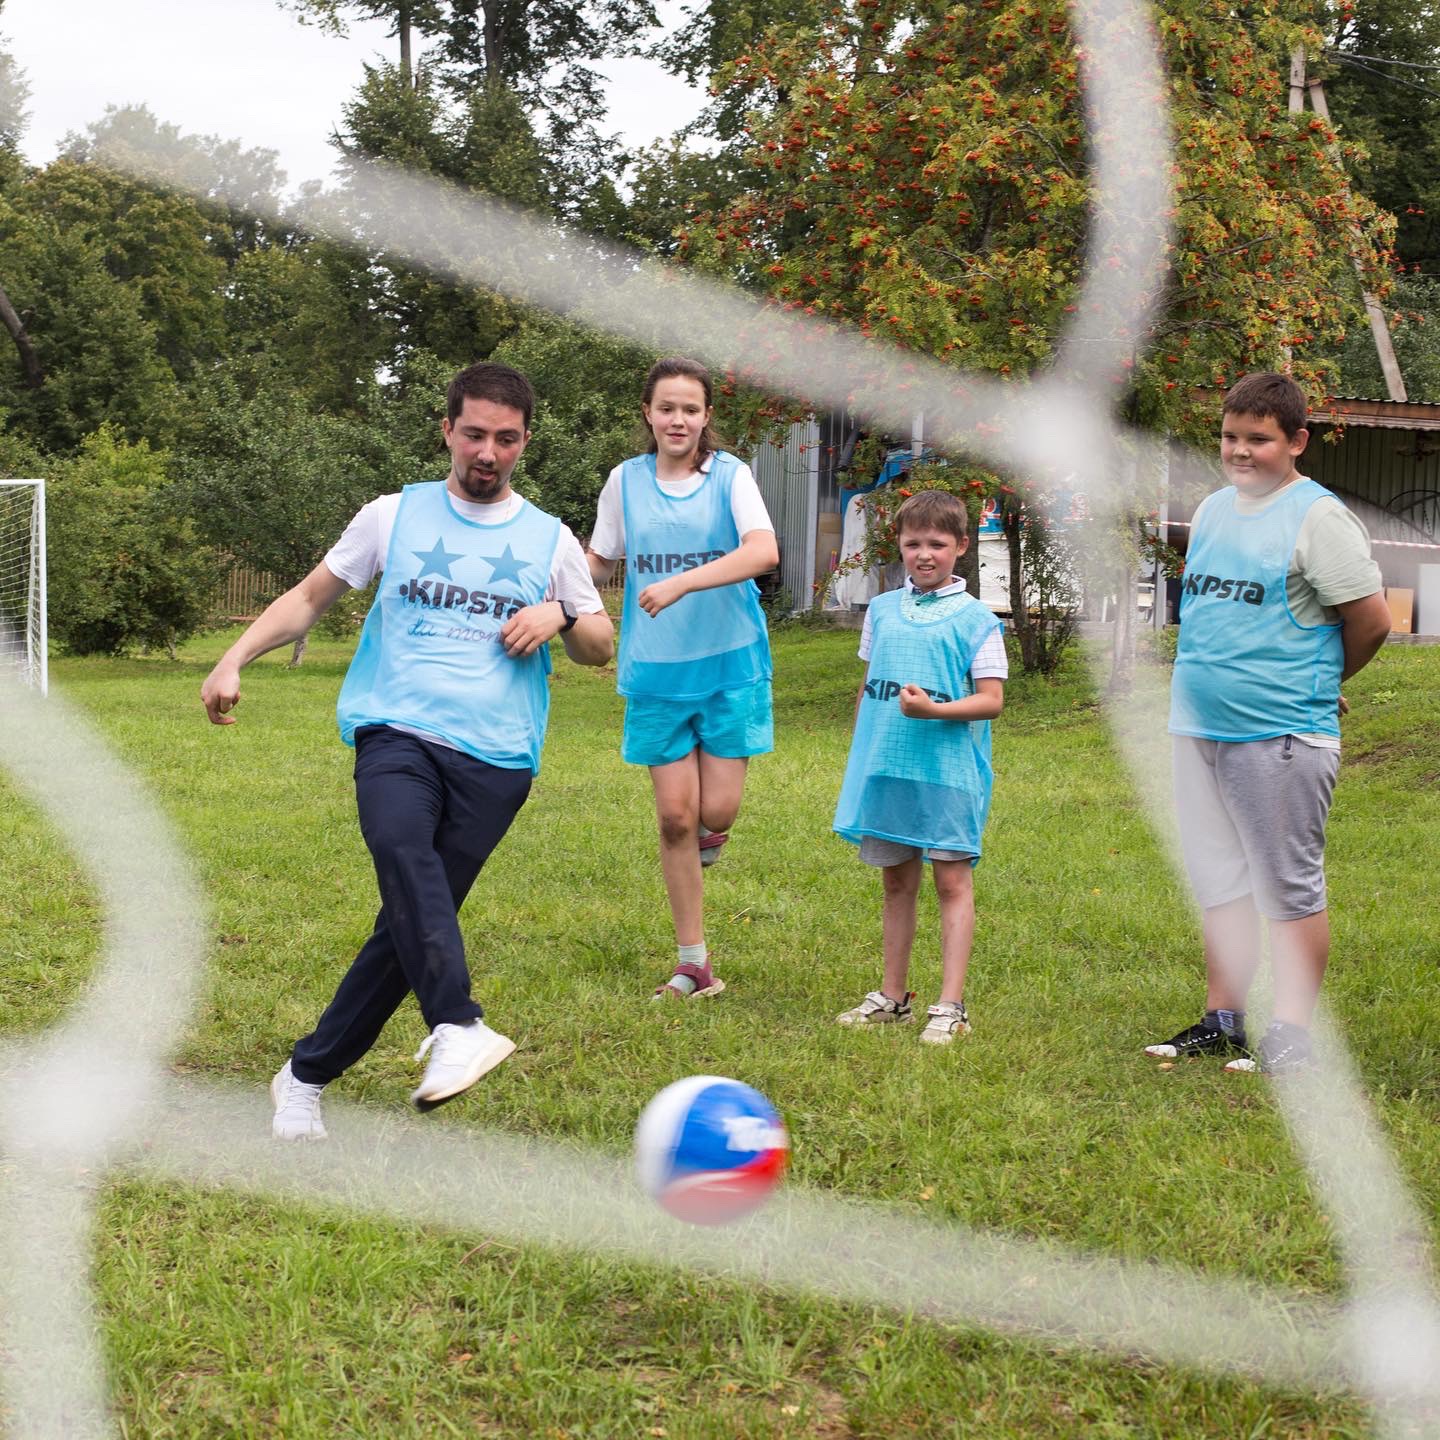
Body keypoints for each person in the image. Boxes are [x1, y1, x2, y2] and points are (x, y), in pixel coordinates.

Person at [200, 363, 614, 1138]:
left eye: (506, 438)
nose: (488, 452)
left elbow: (599, 644)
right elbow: (308, 597)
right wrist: (234, 657)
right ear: (447, 429)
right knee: (398, 843)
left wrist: (560, 610)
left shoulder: (549, 538)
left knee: (408, 928)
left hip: (497, 759)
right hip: (396, 730)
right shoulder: (393, 515)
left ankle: (303, 1076)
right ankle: (458, 1025)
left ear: (524, 442)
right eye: (474, 433)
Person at [1147, 371, 1391, 1075]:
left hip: (1279, 734)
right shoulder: (1215, 509)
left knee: (1286, 887)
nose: (1240, 451)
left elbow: (1370, 622)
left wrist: (1320, 682)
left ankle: (1290, 1032)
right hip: (1198, 730)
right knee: (1219, 882)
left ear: (1296, 442)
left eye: (1259, 438)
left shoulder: (1319, 517)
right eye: (1230, 436)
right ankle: (1223, 1019)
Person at [585, 357, 778, 999]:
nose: (678, 419)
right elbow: (600, 564)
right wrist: (549, 584)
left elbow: (762, 551)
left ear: (706, 418)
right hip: (657, 674)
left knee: (713, 811)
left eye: (690, 409)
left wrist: (680, 582)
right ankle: (693, 962)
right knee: (674, 819)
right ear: (648, 413)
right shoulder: (624, 481)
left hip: (730, 667)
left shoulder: (730, 476)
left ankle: (711, 831)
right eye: (666, 407)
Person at [832, 489, 1007, 1045]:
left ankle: (950, 1005)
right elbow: (869, 687)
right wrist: (862, 752)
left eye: (937, 543)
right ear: (899, 547)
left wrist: (934, 710)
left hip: (948, 774)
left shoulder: (978, 620)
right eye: (913, 543)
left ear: (961, 546)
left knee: (951, 882)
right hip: (888, 769)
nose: (924, 554)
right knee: (895, 882)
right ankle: (892, 995)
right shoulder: (881, 611)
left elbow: (991, 700)